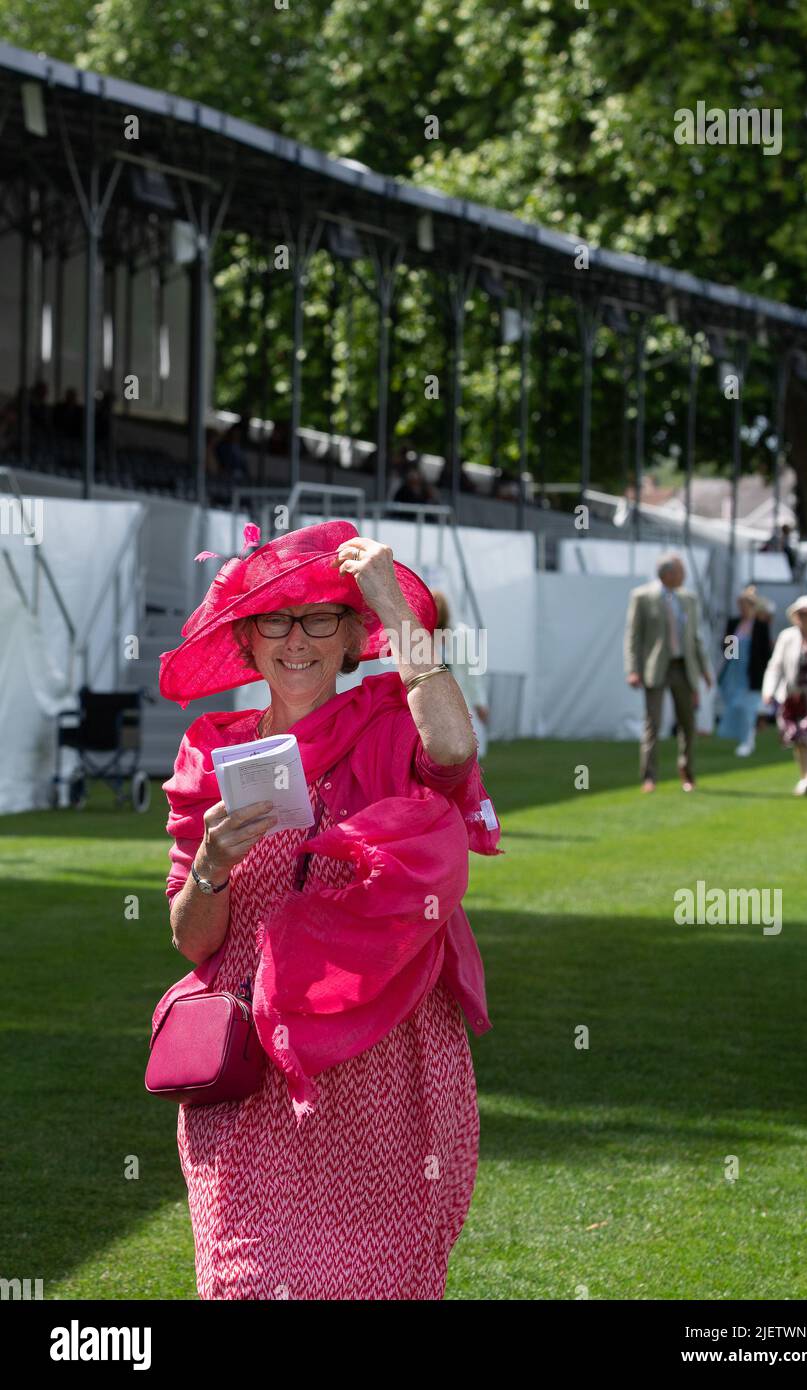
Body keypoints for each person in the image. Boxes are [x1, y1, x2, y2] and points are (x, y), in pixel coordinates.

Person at [156, 519, 501, 1300]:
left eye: (321, 619)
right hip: (250, 1073)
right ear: (246, 643)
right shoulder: (210, 755)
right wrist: (211, 863)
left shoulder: (390, 724)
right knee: (243, 1282)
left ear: (352, 638)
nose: (297, 640)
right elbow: (190, 941)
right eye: (274, 621)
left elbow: (451, 749)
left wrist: (393, 603)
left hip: (383, 1070)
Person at [623, 552, 713, 792]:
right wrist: (633, 670)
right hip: (657, 668)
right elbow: (633, 637)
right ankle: (649, 776)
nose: (684, 576)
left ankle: (687, 772)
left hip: (684, 667)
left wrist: (705, 670)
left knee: (688, 723)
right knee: (653, 723)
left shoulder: (689, 599)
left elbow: (695, 638)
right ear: (668, 574)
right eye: (680, 571)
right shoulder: (642, 597)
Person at [761, 594, 807, 795]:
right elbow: (775, 666)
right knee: (798, 738)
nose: (804, 618)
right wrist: (769, 690)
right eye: (800, 614)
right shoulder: (787, 637)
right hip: (793, 697)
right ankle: (805, 778)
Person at [430, 589, 489, 757]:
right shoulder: (422, 636)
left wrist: (480, 702)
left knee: (466, 751)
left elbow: (473, 671)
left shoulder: (461, 634)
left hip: (460, 699)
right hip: (434, 703)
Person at [717, 584, 773, 756]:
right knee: (736, 706)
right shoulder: (734, 623)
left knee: (749, 708)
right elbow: (728, 651)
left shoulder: (760, 626)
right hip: (734, 672)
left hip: (753, 674)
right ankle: (742, 736)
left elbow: (765, 653)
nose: (742, 609)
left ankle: (747, 740)